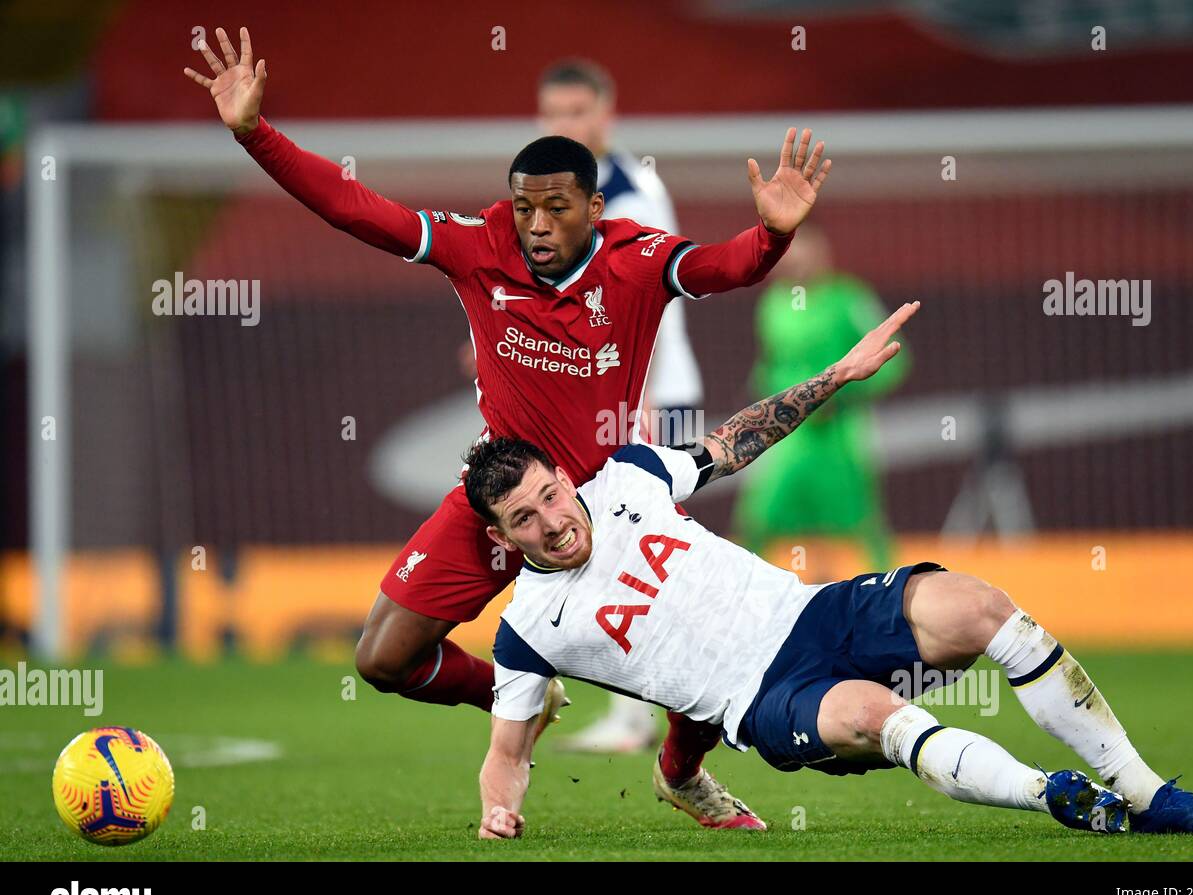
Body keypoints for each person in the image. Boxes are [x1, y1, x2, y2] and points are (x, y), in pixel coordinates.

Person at [184, 27, 831, 828]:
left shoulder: (635, 257)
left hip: (603, 504)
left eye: (555, 208)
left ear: (595, 209)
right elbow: (359, 210)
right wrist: (255, 134)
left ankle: (680, 771)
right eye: (524, 207)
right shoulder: (480, 245)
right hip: (499, 497)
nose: (534, 225)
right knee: (382, 657)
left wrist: (772, 234)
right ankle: (521, 692)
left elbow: (723, 268)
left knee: (700, 661)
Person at [464, 301, 1193, 840]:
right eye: (523, 520)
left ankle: (1149, 795)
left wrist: (836, 375)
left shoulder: (627, 477)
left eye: (548, 496)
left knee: (979, 605)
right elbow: (506, 754)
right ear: (503, 536)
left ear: (566, 480)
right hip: (764, 698)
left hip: (817, 610)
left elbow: (735, 439)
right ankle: (1057, 797)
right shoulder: (530, 628)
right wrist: (499, 813)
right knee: (879, 716)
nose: (552, 522)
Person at [537, 58, 702, 753]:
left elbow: (651, 305)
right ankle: (652, 713)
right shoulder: (558, 192)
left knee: (641, 554)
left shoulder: (634, 192)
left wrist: (636, 401)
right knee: (615, 550)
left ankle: (652, 715)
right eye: (553, 113)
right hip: (614, 395)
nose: (565, 125)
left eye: (578, 111)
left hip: (652, 396)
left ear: (607, 112)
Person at [737, 223, 907, 577]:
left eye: (803, 258)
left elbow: (896, 363)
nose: (794, 267)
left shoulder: (849, 299)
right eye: (788, 259)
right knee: (759, 515)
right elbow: (769, 366)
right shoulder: (772, 304)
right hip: (788, 436)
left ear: (823, 258)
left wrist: (842, 397)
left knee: (860, 521)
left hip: (839, 436)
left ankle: (892, 595)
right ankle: (743, 591)